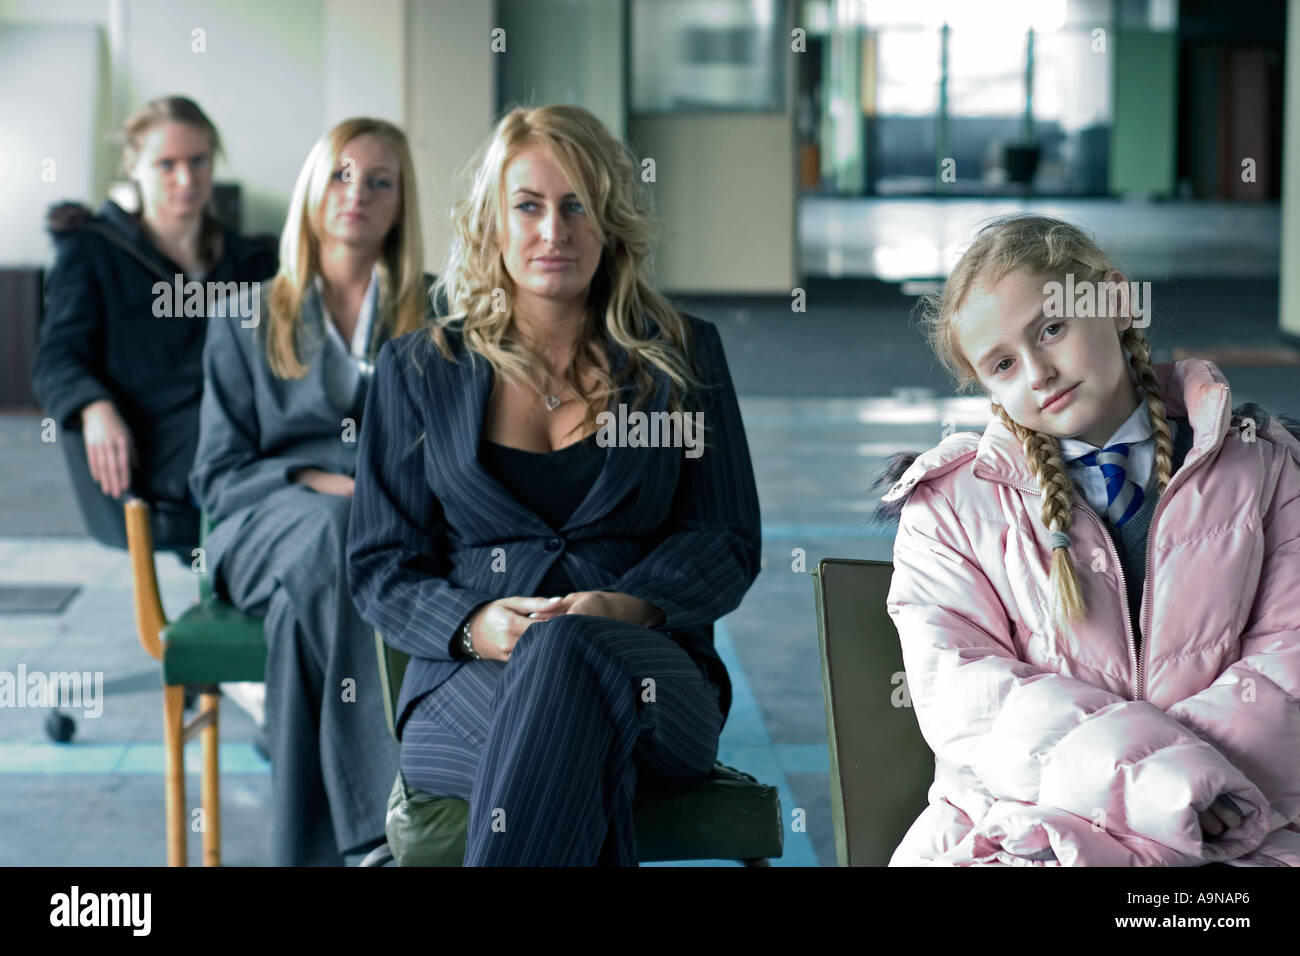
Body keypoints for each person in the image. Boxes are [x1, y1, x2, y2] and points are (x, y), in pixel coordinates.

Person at [347, 104, 762, 866]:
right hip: (471, 677)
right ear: (492, 226)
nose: (554, 231)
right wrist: (475, 624)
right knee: (565, 742)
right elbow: (379, 565)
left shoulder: (683, 357)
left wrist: (627, 607)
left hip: (649, 670)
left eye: (577, 206)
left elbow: (726, 539)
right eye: (529, 207)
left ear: (609, 223)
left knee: (568, 660)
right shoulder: (417, 369)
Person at [871, 214, 1300, 866]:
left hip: (1239, 824)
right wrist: (1162, 786)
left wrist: (1182, 803)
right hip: (1017, 832)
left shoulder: (1266, 468)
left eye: (1051, 329)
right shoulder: (948, 509)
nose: (1038, 372)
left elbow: (1286, 672)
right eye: (1003, 364)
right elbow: (972, 704)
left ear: (1116, 300)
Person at [189, 117, 430, 865]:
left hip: (375, 534)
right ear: (312, 191)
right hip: (262, 522)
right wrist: (329, 484)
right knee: (333, 530)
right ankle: (380, 825)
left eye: (379, 181)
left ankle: (307, 853)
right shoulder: (246, 317)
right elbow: (217, 474)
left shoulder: (436, 316)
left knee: (305, 612)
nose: (357, 193)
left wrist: (375, 498)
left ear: (399, 205)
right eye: (341, 174)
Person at [33, 95, 277, 555]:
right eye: (166, 164)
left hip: (247, 427)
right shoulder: (93, 253)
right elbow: (56, 357)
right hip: (158, 440)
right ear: (133, 164)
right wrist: (94, 407)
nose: (186, 179)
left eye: (198, 161)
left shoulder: (251, 260)